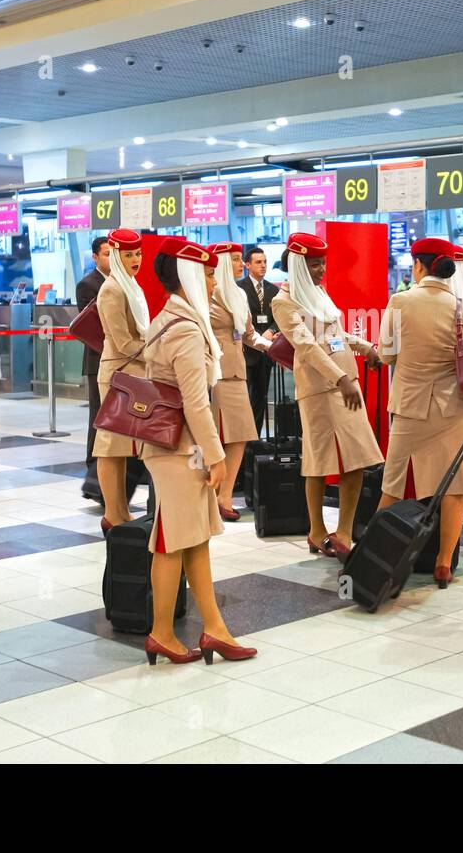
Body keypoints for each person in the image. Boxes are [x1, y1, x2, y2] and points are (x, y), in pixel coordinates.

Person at [140, 237, 257, 666]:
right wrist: (217, 456)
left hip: (170, 446)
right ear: (189, 275)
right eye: (207, 274)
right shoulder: (187, 329)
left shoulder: (168, 319)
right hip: (180, 450)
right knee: (173, 540)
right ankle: (162, 633)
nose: (213, 282)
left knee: (192, 540)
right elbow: (195, 402)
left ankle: (213, 628)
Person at [269, 232, 384, 559]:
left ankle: (344, 530)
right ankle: (317, 529)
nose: (321, 270)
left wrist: (365, 347)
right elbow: (306, 345)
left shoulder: (317, 292)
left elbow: (333, 334)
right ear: (299, 265)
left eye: (322, 263)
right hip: (322, 389)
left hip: (346, 383)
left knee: (357, 458)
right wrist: (340, 378)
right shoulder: (283, 300)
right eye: (315, 264)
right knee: (320, 460)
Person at [377, 238, 463, 587]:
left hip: (410, 405)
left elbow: (387, 355)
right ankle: (443, 564)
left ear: (419, 266)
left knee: (393, 484)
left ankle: (379, 559)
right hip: (454, 409)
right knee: (454, 487)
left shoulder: (400, 302)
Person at [94, 228, 152, 533]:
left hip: (134, 372)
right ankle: (113, 513)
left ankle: (121, 511)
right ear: (116, 256)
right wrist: (157, 351)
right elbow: (121, 342)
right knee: (111, 446)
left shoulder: (131, 286)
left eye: (138, 253)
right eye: (128, 254)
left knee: (122, 448)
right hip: (118, 374)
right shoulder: (112, 290)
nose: (135, 259)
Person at [207, 242, 271, 520]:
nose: (238, 264)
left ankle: (224, 495)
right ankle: (211, 495)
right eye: (233, 259)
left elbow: (248, 335)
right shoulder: (207, 294)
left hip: (237, 371)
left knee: (240, 436)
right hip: (215, 373)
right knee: (215, 438)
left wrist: (272, 347)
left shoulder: (238, 294)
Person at [78, 235, 111, 501]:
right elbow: (91, 326)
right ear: (96, 257)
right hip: (98, 359)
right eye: (106, 253)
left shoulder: (124, 282)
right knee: (98, 417)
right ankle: (94, 474)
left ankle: (110, 475)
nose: (110, 258)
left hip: (120, 361)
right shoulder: (88, 284)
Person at [239, 246, 280, 432]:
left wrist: (271, 330)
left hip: (267, 352)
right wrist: (254, 335)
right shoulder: (239, 289)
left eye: (265, 262)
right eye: (258, 262)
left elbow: (280, 317)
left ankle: (255, 437)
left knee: (261, 397)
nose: (263, 265)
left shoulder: (273, 290)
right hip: (246, 352)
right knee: (244, 397)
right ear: (248, 265)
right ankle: (243, 438)